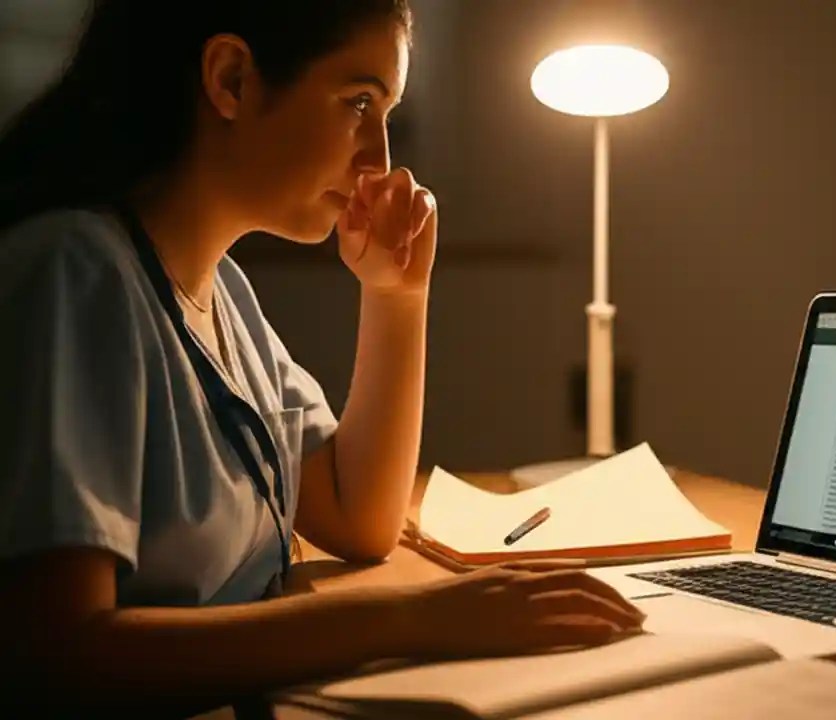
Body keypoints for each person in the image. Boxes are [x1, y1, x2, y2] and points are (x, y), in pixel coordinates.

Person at [0, 0, 643, 714]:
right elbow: (58, 651)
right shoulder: (74, 273)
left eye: (387, 113)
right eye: (358, 102)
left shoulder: (223, 292)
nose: (381, 160)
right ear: (233, 79)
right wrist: (412, 619)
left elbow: (359, 514)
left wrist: (397, 295)